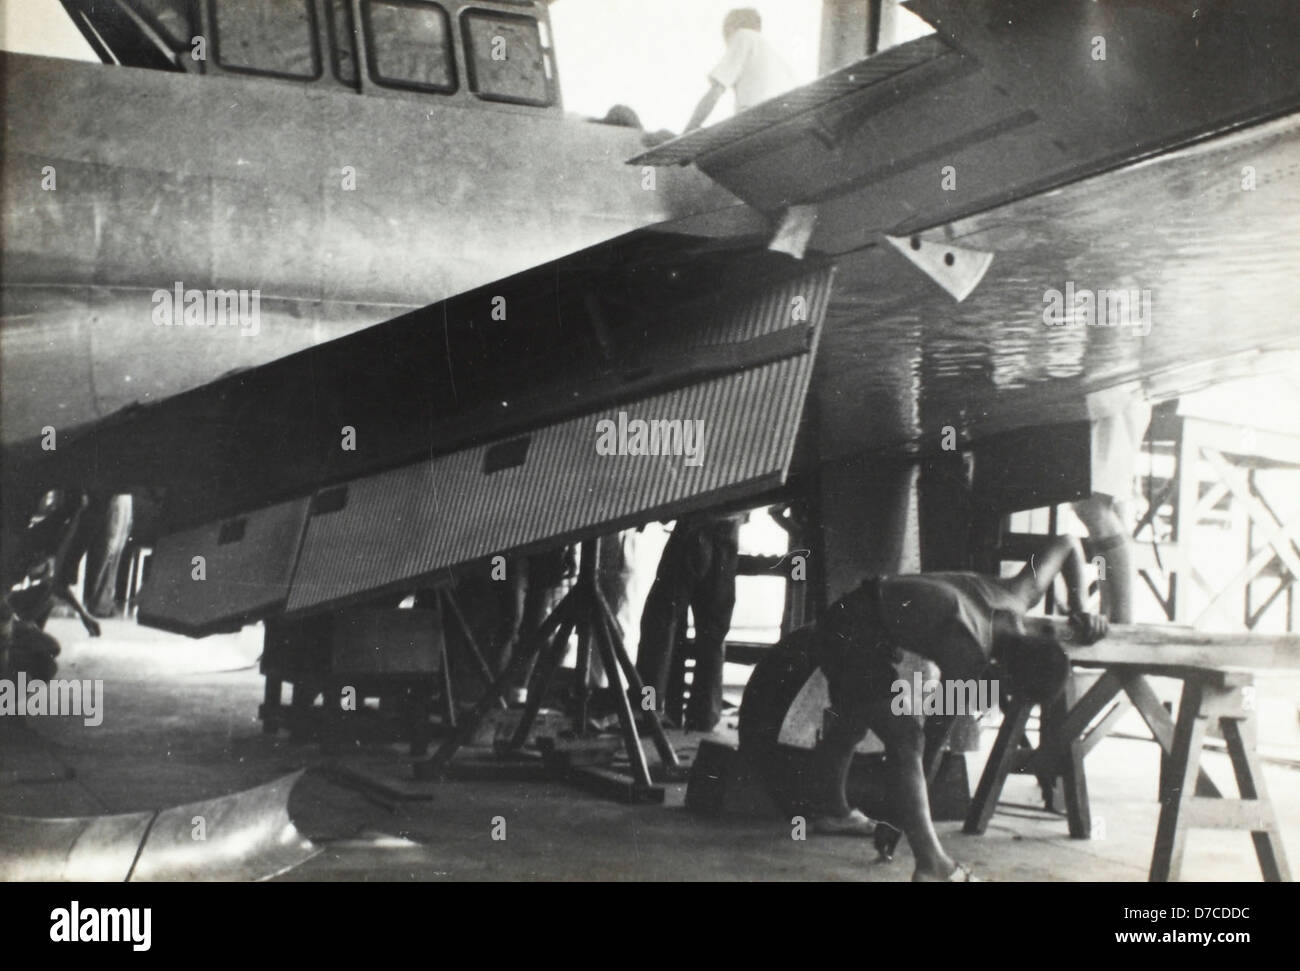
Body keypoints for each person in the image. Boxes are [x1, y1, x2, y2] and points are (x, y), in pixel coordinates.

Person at [806, 534, 1109, 881]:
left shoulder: (1020, 595)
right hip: (850, 630)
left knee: (858, 716)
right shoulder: (969, 652)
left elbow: (1069, 542)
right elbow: (930, 739)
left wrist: (1081, 609)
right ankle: (931, 864)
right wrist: (900, 818)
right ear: (1002, 675)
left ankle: (830, 809)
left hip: (859, 612)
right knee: (905, 738)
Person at [634, 512, 743, 732]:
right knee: (713, 631)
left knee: (661, 619)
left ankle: (647, 711)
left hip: (696, 526)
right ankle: (705, 716)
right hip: (729, 530)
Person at [684, 8, 797, 132]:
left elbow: (716, 91)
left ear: (730, 28)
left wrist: (689, 129)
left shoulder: (742, 36)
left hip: (755, 119)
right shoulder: (778, 58)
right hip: (787, 121)